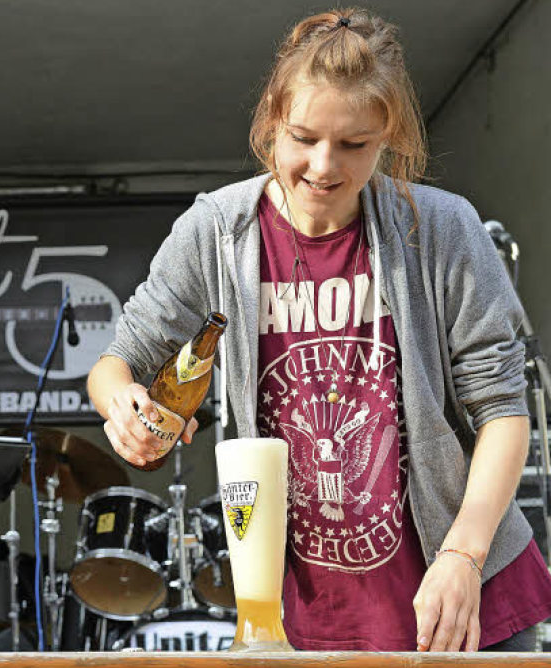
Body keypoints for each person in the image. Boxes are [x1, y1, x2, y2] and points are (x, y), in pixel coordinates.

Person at [89, 8, 551, 653]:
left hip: (460, 602)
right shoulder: (217, 232)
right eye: (303, 137)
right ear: (271, 124)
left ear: (387, 136)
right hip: (304, 614)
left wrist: (464, 558)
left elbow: (501, 409)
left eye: (354, 145)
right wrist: (124, 405)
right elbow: (119, 361)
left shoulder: (441, 229)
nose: (323, 166)